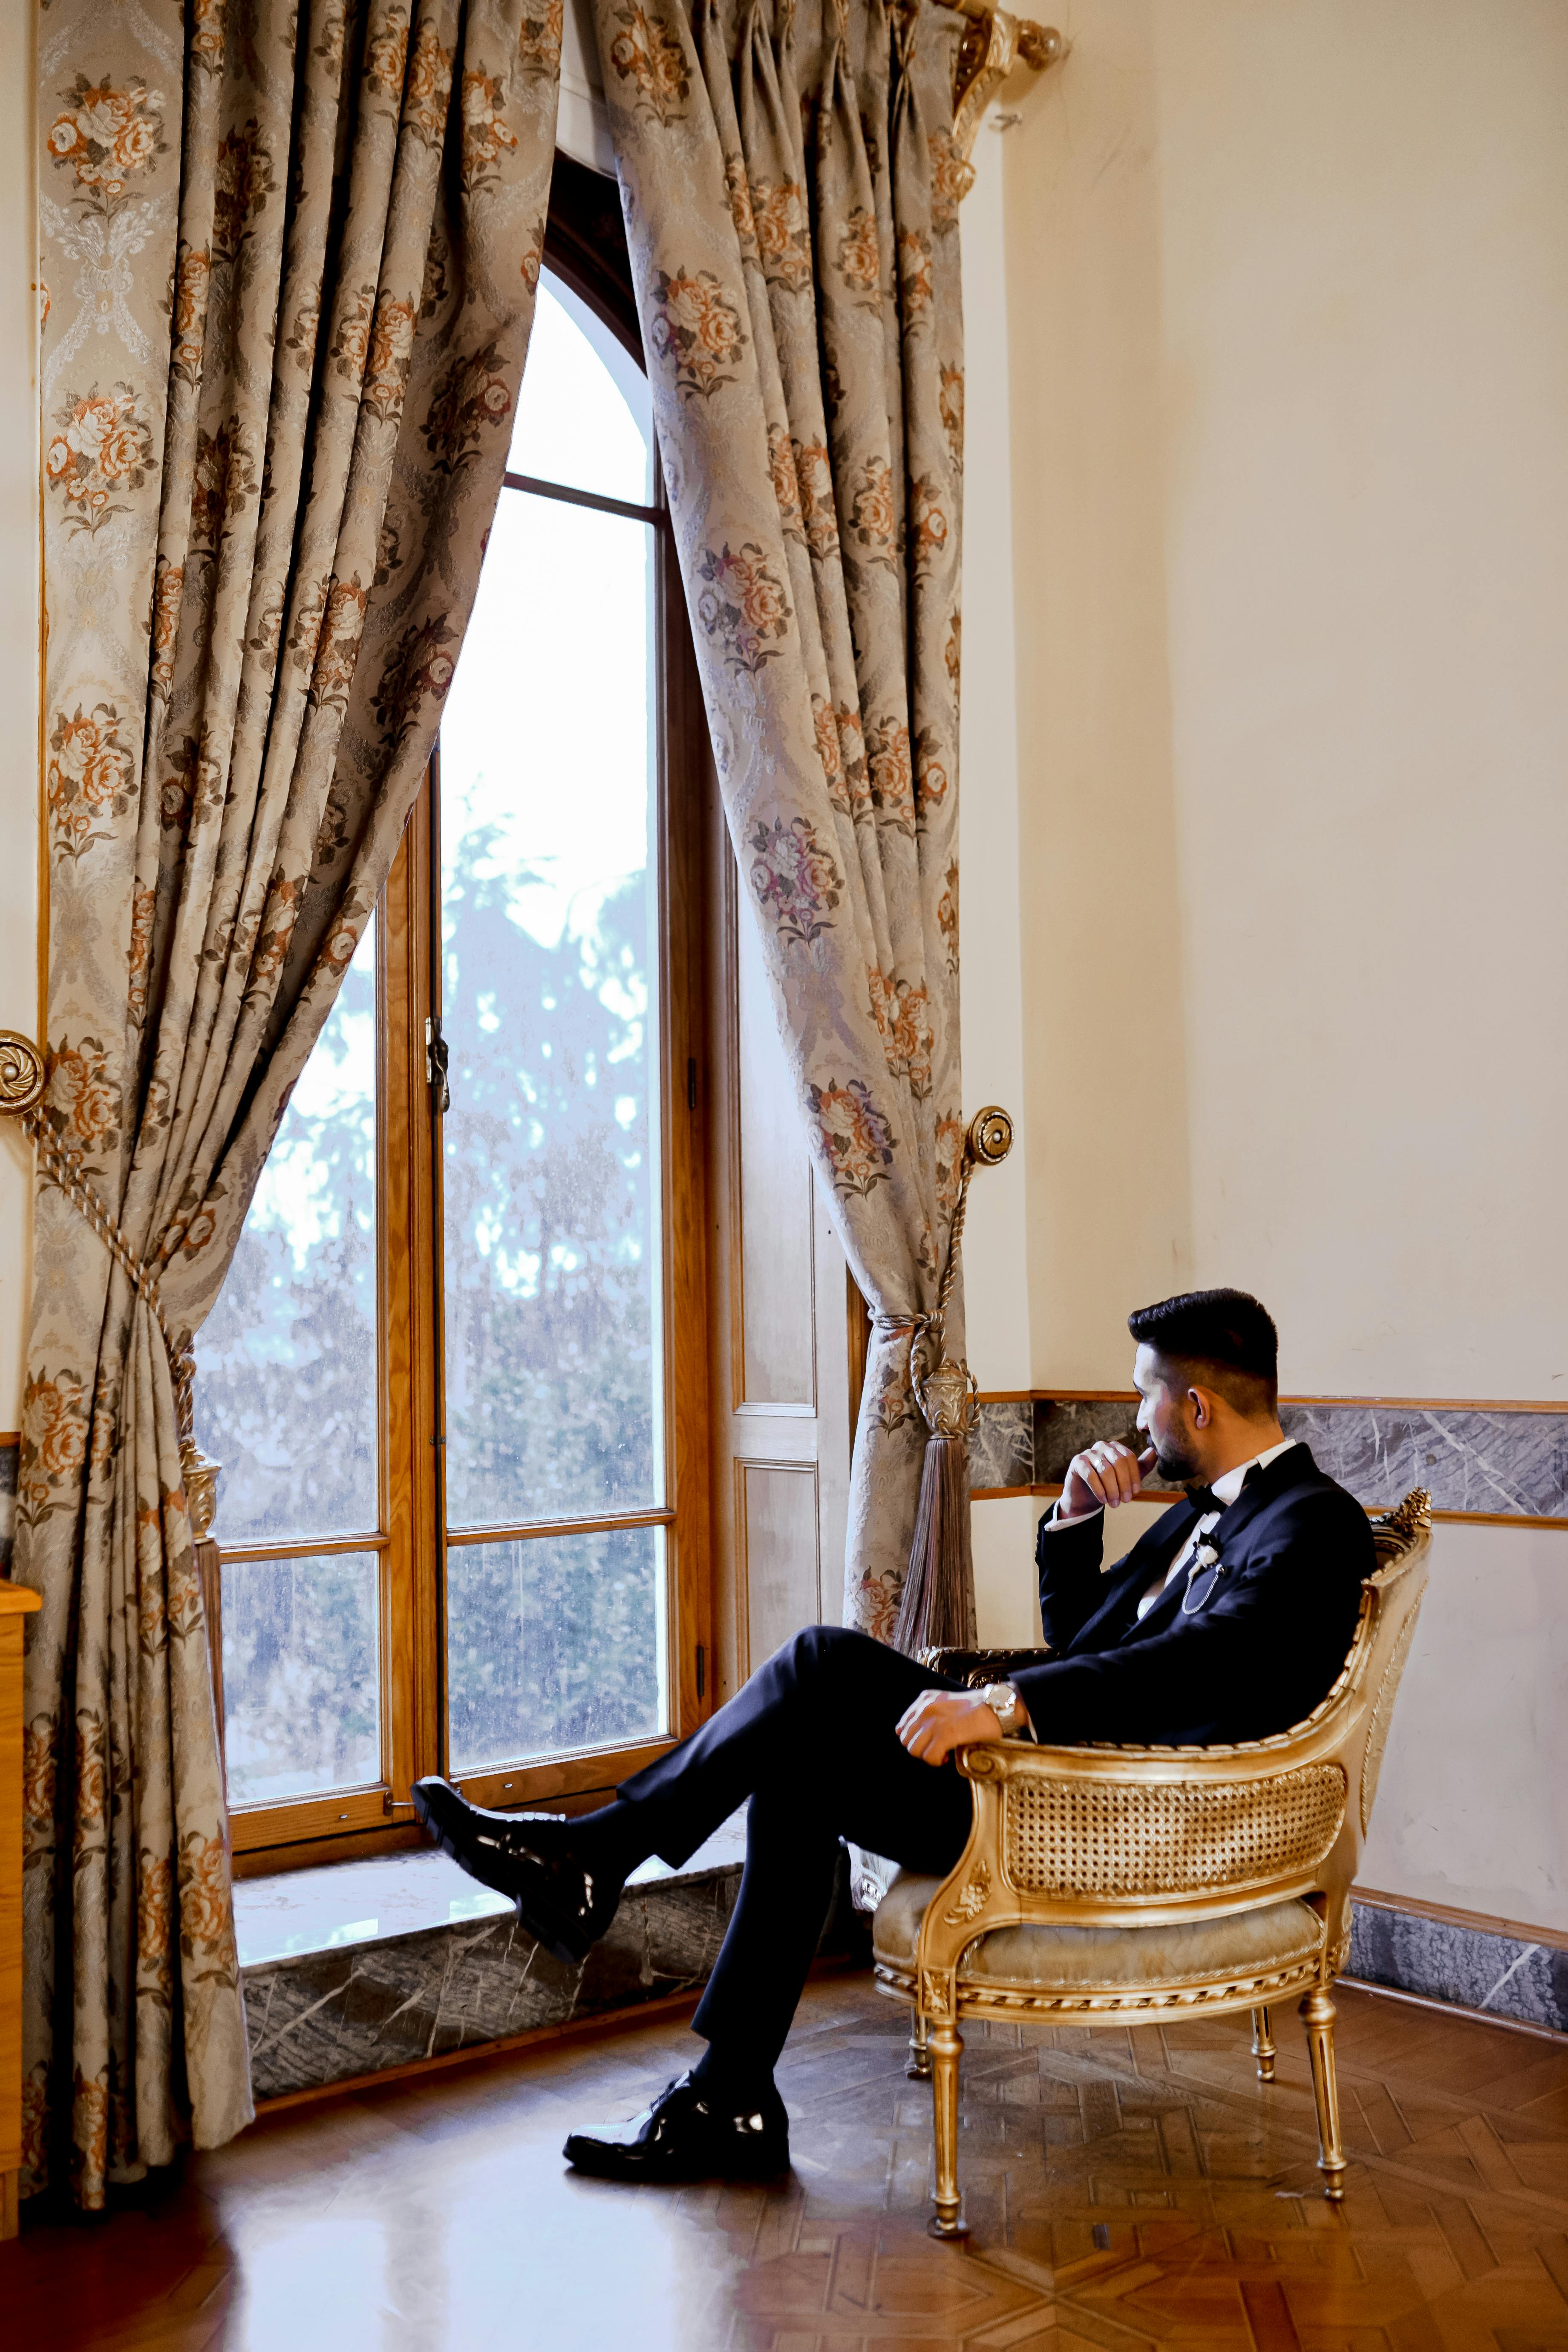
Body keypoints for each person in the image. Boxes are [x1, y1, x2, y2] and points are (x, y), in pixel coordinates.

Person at [412, 1287, 1373, 2184]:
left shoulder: (1313, 1525)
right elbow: (1087, 1643)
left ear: (1196, 1405)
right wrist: (1073, 1522)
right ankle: (725, 2086)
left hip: (1112, 1824)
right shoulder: (1194, 1516)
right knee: (802, 1740)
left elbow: (1202, 1664)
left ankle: (599, 1875)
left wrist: (997, 1708)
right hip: (1057, 1785)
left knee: (822, 1667)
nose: (1136, 1423)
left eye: (1144, 1399)